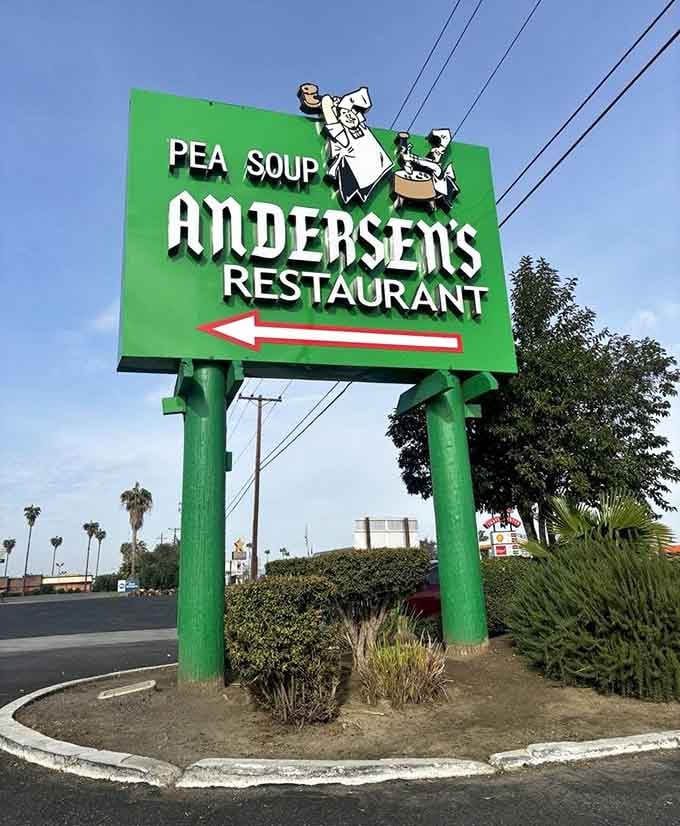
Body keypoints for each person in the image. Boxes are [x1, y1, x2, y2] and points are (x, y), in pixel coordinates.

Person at [320, 87, 392, 204]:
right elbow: (329, 114)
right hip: (363, 182)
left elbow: (364, 96)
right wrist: (327, 100)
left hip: (380, 173)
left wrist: (344, 103)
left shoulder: (362, 127)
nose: (348, 116)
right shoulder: (341, 133)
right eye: (343, 114)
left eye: (349, 112)